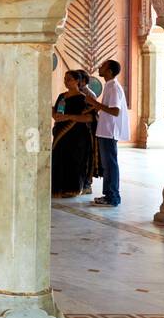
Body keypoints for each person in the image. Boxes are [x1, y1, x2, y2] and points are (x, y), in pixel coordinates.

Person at [84, 59, 129, 207]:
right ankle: (108, 195)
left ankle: (113, 197)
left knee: (110, 165)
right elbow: (105, 107)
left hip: (110, 132)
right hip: (105, 131)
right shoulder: (109, 86)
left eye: (103, 66)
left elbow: (115, 111)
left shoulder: (114, 88)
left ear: (109, 71)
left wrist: (94, 103)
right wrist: (93, 108)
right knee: (107, 165)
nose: (100, 67)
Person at [51, 70, 95, 198]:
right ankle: (58, 188)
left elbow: (90, 118)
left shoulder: (83, 99)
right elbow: (57, 112)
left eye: (69, 79)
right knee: (59, 159)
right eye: (65, 79)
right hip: (60, 133)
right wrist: (55, 115)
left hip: (76, 136)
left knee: (74, 161)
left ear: (77, 81)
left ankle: (72, 189)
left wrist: (69, 117)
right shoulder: (62, 96)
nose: (66, 81)